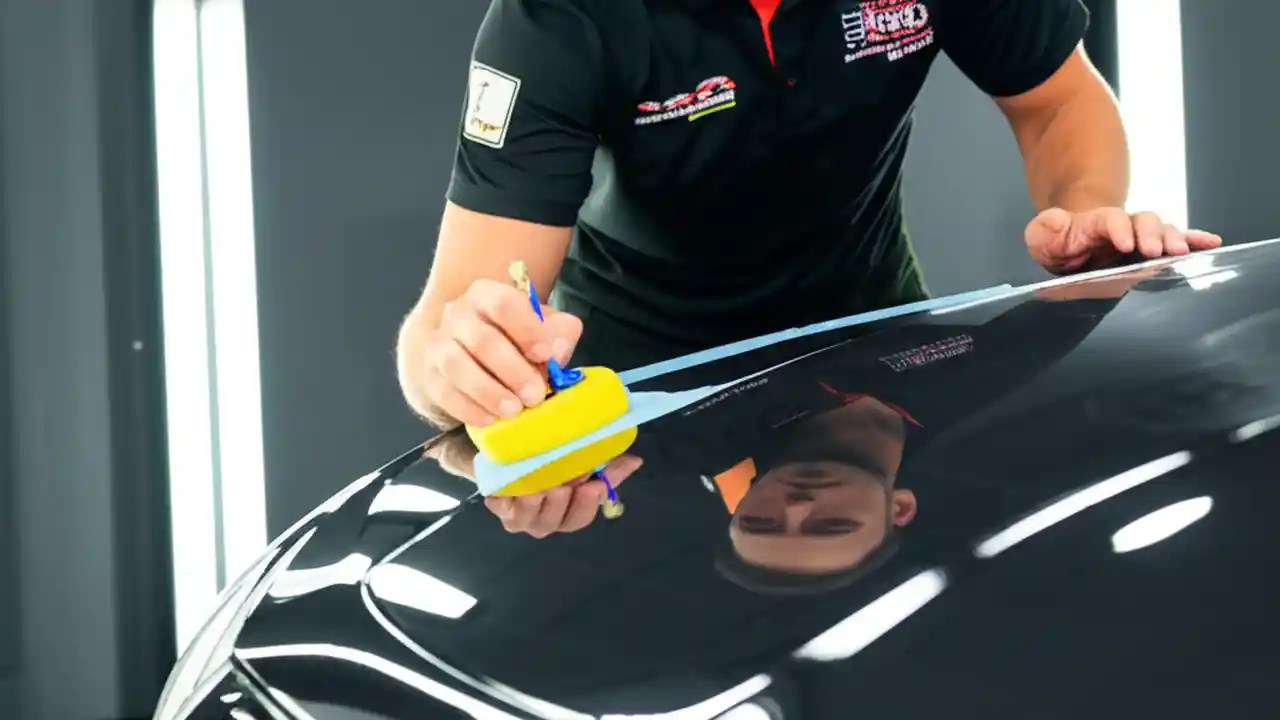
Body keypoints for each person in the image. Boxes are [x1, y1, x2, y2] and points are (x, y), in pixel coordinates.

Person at [396, 0, 1223, 440]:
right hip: (640, 388)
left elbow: (1058, 102)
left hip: (875, 337)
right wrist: (454, 370)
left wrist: (1083, 214)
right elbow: (447, 322)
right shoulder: (557, 18)